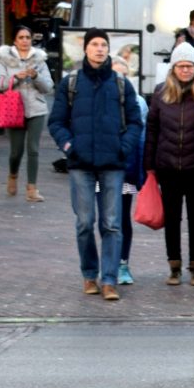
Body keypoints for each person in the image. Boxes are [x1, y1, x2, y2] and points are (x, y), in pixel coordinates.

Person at [47, 28, 140, 301]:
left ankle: (109, 279)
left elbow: (135, 121)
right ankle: (90, 274)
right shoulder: (71, 83)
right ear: (86, 49)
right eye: (94, 44)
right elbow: (56, 122)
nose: (100, 49)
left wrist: (123, 148)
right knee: (85, 223)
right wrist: (68, 146)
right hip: (80, 164)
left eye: (103, 45)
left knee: (112, 223)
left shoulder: (121, 84)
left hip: (113, 164)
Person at [145, 41, 194, 285]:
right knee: (172, 218)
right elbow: (152, 128)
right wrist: (149, 163)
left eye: (190, 66)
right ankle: (173, 266)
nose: (185, 70)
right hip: (168, 165)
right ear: (173, 68)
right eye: (181, 66)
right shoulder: (160, 92)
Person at [0, 23, 53, 202]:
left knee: (33, 149)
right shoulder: (5, 59)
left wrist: (36, 77)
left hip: (36, 109)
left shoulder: (40, 60)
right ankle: (13, 175)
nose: (25, 41)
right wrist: (15, 78)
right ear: (15, 40)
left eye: (28, 37)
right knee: (16, 151)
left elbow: (48, 86)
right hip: (15, 109)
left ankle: (32, 189)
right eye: (21, 37)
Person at [111, 53, 148, 285]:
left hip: (126, 169)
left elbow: (142, 139)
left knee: (122, 217)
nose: (119, 80)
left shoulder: (139, 103)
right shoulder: (99, 100)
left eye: (123, 76)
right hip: (101, 171)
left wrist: (141, 174)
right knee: (105, 219)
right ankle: (107, 263)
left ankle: (123, 263)